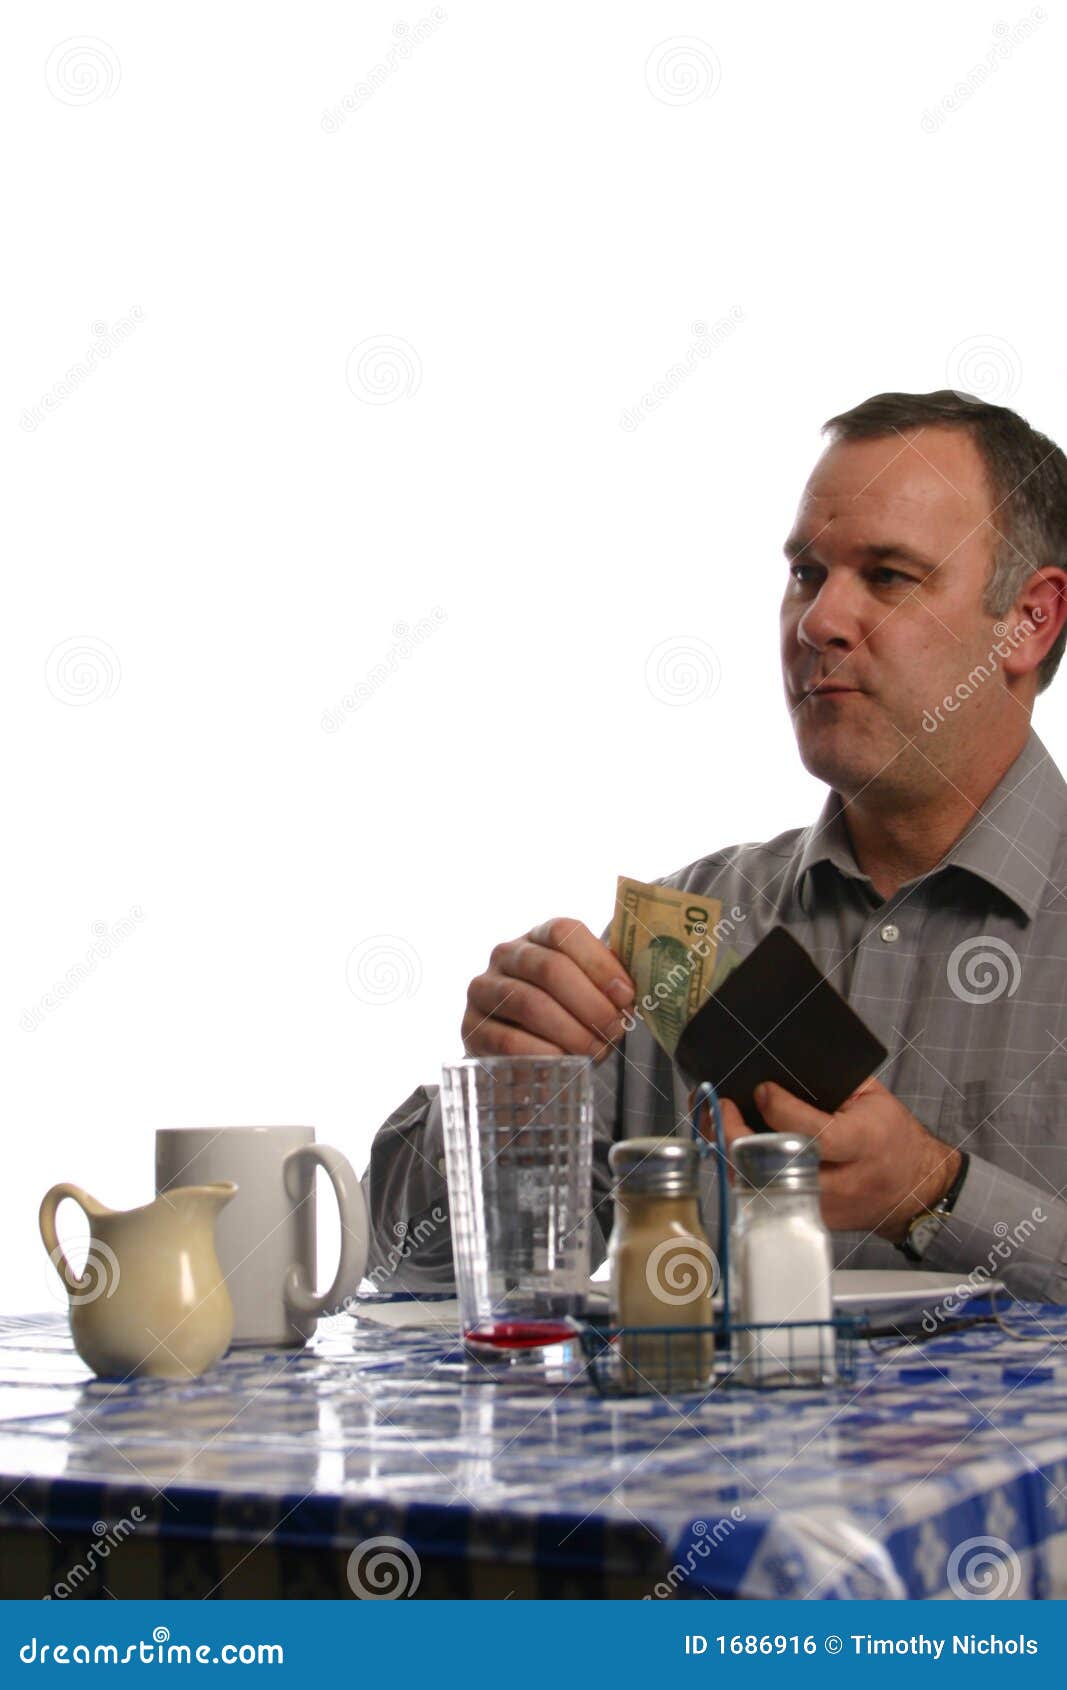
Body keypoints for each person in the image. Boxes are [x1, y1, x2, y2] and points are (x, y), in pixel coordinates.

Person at [363, 390, 1067, 1301]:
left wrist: (938, 1197)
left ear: (1028, 619)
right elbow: (405, 1274)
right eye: (806, 573)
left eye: (889, 576)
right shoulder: (684, 931)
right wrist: (502, 1097)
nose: (817, 622)